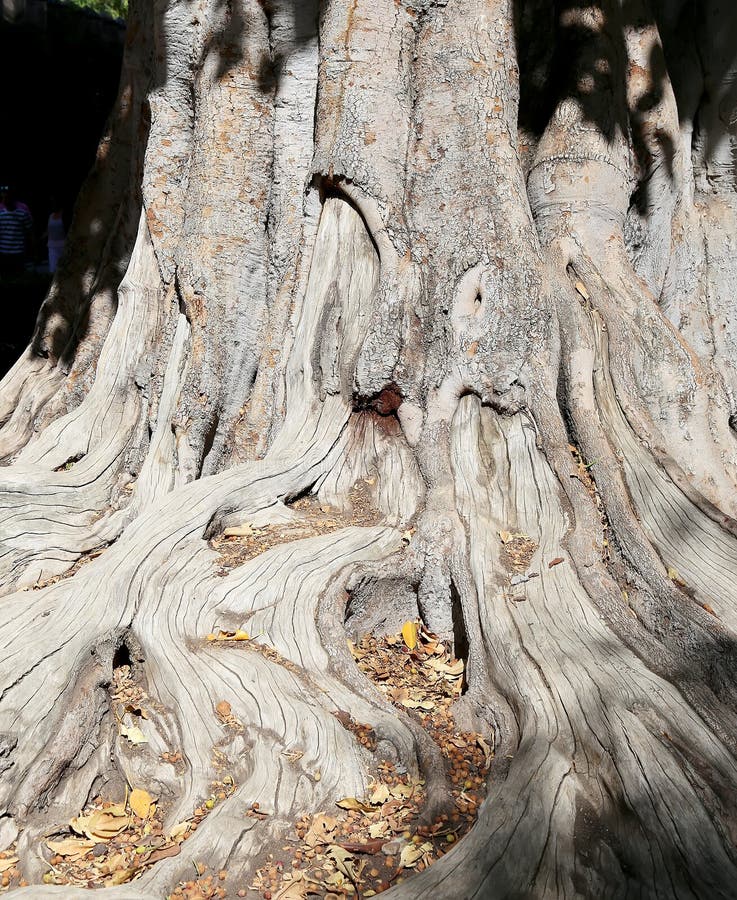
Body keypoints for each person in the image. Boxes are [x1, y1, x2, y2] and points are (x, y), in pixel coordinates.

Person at [0, 187, 33, 278]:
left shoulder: (23, 213)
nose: (4, 200)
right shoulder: (1, 214)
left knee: (19, 278)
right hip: (3, 253)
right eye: (3, 198)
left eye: (6, 197)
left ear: (12, 198)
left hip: (18, 253)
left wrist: (33, 252)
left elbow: (30, 232)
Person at [45, 197, 66, 273]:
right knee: (53, 269)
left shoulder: (65, 215)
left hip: (63, 246)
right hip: (52, 247)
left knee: (63, 270)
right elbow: (48, 230)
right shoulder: (50, 216)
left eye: (54, 203)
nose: (52, 205)